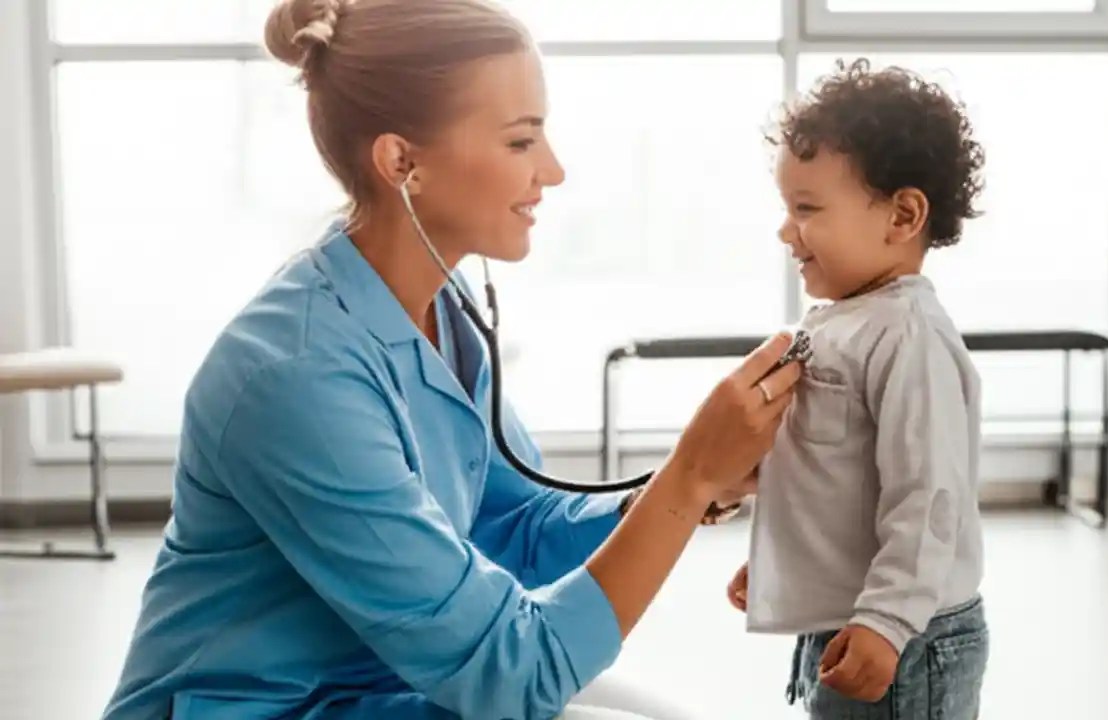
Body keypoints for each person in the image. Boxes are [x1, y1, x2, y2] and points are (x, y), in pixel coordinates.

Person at [100, 1, 803, 718]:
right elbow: (511, 677)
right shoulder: (295, 376)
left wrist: (703, 479)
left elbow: (515, 530)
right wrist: (687, 479)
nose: (554, 171)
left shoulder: (443, 306)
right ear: (402, 162)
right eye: (521, 142)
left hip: (380, 689)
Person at [724, 58, 989, 719]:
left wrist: (889, 620)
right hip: (851, 615)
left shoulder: (909, 336)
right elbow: (827, 470)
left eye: (807, 209)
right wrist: (791, 564)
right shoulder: (846, 320)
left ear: (902, 216)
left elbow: (928, 497)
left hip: (908, 637)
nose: (787, 232)